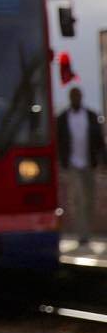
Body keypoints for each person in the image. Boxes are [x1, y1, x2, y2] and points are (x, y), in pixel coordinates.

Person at [56, 86, 105, 247]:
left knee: (90, 199)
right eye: (73, 96)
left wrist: (103, 160)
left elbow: (98, 141)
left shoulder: (91, 116)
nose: (75, 98)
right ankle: (82, 234)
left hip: (89, 164)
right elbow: (59, 142)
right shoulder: (62, 118)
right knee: (77, 198)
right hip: (72, 165)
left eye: (78, 95)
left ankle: (88, 230)